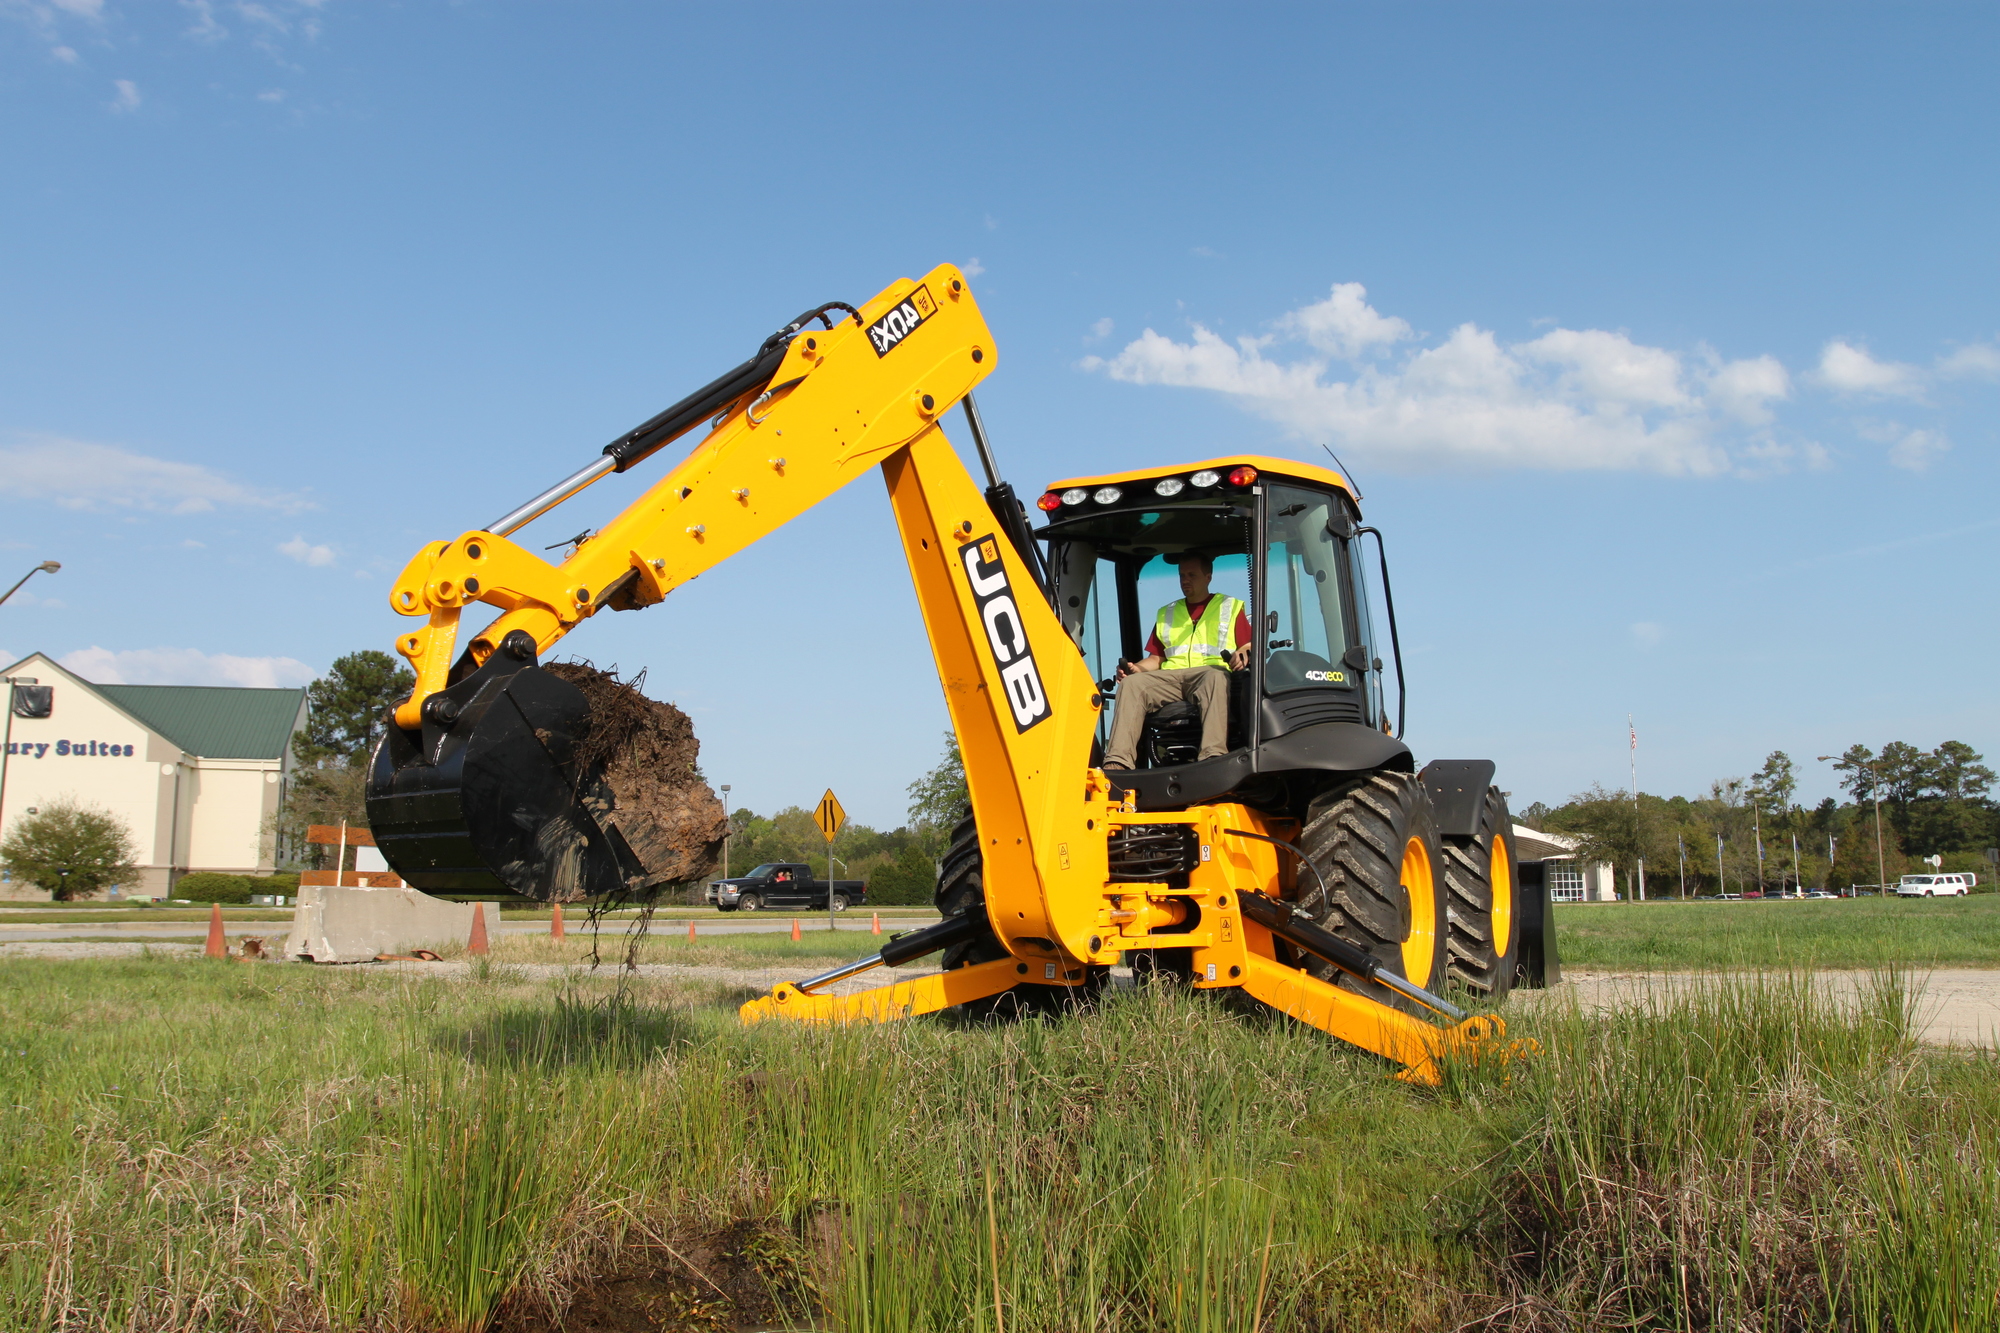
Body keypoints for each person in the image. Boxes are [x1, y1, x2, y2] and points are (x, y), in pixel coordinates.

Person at [1102, 551, 1252, 770]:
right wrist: (1137, 668)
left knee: (1215, 676)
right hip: (1171, 678)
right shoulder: (1167, 612)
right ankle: (1117, 762)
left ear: (1208, 576)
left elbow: (1247, 645)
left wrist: (1242, 654)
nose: (1185, 580)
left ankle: (1212, 756)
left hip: (1207, 673)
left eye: (1191, 574)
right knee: (1132, 684)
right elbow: (1156, 658)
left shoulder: (1229, 607)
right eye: (1182, 575)